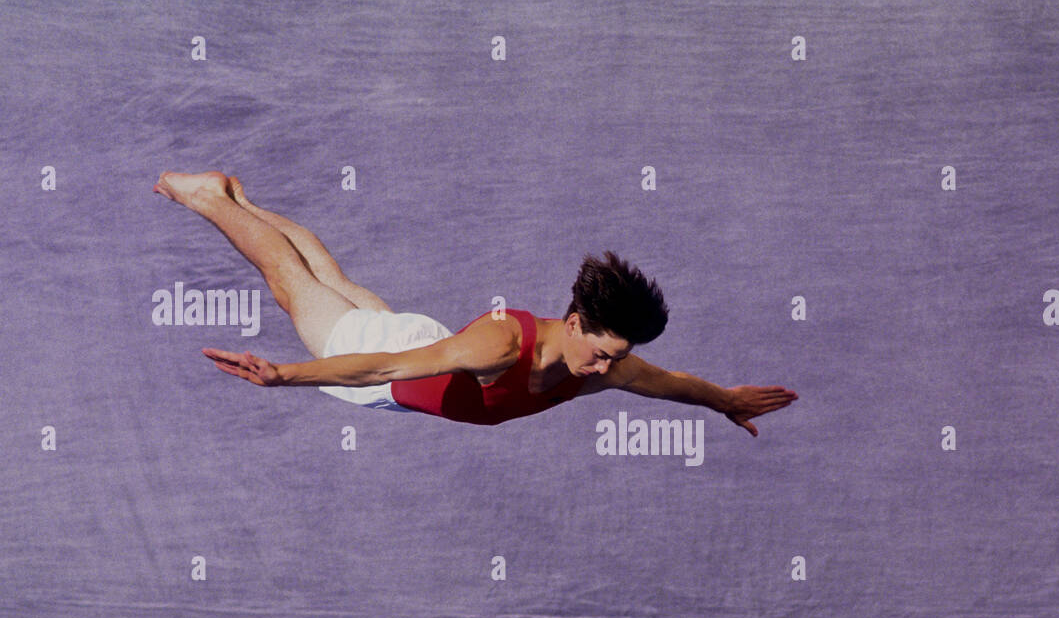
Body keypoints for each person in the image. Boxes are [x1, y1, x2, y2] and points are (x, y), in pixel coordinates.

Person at [153, 171, 798, 434]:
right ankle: (209, 199)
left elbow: (668, 384)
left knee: (331, 283)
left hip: (423, 340)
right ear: (574, 322)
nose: (607, 371)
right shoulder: (502, 344)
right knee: (291, 283)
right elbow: (382, 369)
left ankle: (242, 200)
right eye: (602, 354)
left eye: (616, 359)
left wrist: (726, 401)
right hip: (377, 359)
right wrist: (286, 375)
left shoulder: (599, 361)